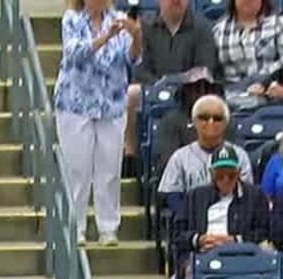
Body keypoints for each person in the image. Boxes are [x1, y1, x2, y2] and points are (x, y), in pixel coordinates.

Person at [54, 0, 141, 246]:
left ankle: (108, 227)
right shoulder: (71, 19)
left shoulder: (120, 18)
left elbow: (132, 59)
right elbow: (75, 53)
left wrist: (135, 36)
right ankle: (76, 226)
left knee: (110, 168)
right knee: (77, 170)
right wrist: (105, 36)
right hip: (75, 103)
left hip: (111, 102)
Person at [170, 144, 271, 279]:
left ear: (239, 173)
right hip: (203, 254)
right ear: (211, 174)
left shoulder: (255, 196)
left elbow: (264, 230)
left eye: (231, 175)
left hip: (241, 254)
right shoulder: (195, 197)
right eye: (220, 176)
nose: (225, 181)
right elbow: (178, 233)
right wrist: (199, 239)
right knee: (190, 271)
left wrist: (235, 240)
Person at [126, 0, 216, 167]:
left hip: (191, 92)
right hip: (153, 88)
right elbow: (140, 69)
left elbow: (205, 69)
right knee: (131, 93)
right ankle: (130, 156)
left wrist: (177, 83)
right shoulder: (145, 27)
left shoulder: (202, 28)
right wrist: (162, 84)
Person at [157, 95, 244, 216]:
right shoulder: (180, 157)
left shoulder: (239, 155)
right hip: (191, 220)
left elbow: (246, 195)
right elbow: (171, 195)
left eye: (217, 118)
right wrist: (189, 216)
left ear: (226, 123)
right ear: (194, 122)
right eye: (204, 117)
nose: (211, 122)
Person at [212, 0, 283, 112]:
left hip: (270, 97)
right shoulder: (218, 31)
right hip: (231, 98)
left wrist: (263, 82)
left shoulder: (279, 25)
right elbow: (215, 72)